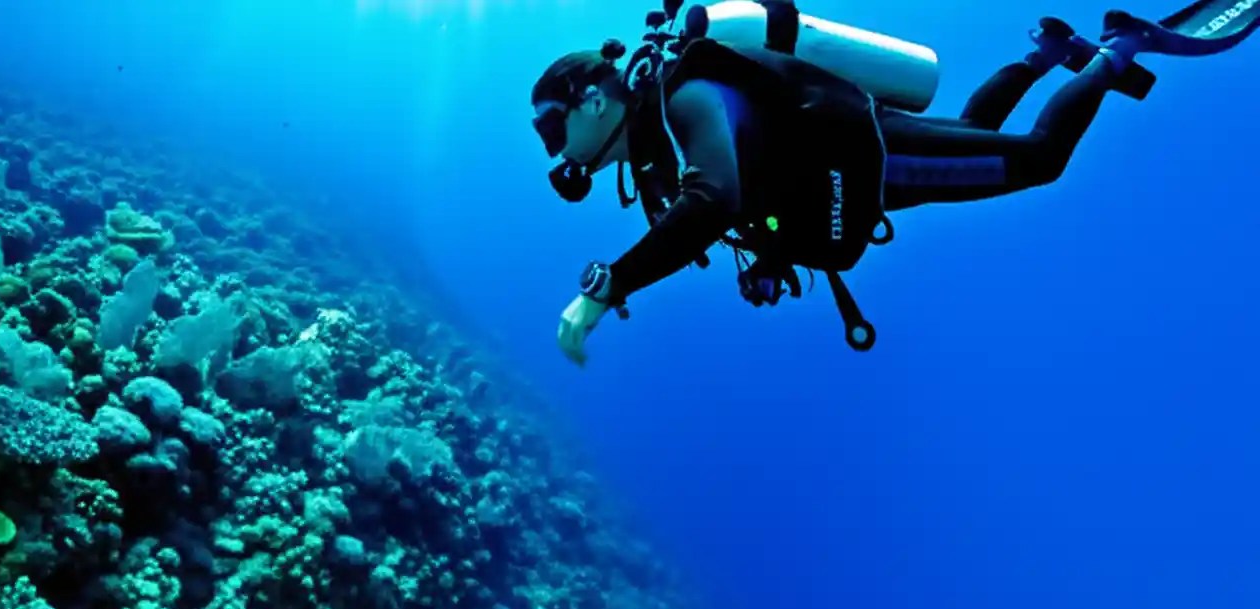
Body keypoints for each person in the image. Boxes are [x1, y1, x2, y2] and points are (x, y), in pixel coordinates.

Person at [532, 1, 1258, 364]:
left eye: (551, 126)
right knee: (972, 130)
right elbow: (733, 201)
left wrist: (606, 286)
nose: (552, 148)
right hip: (847, 163)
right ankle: (1044, 56)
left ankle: (1115, 48)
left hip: (863, 163)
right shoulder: (657, 154)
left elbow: (717, 199)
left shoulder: (683, 93)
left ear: (594, 100)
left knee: (1038, 158)